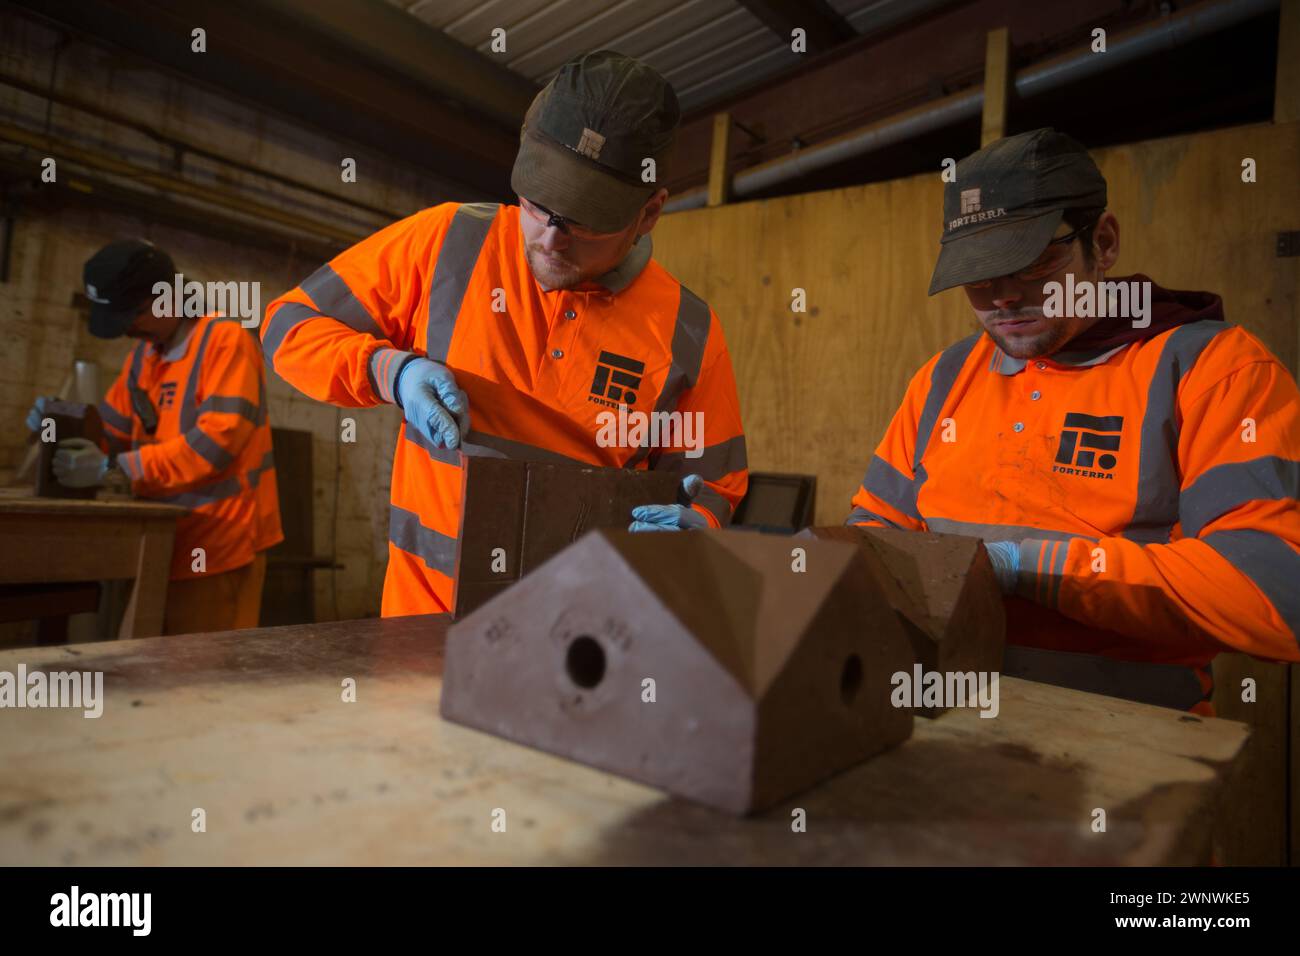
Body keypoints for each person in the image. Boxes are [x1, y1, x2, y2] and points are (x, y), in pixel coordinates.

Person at [261, 51, 748, 616]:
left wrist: (697, 525)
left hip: (577, 634)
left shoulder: (688, 329)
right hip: (418, 626)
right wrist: (390, 371)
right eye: (539, 204)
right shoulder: (448, 242)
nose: (551, 238)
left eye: (584, 220)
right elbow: (289, 326)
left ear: (649, 212)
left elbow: (712, 482)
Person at [846, 128, 1300, 712]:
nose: (1003, 297)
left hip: (1133, 734)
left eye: (1033, 263)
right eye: (977, 276)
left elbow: (1274, 591)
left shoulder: (1214, 371)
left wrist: (1028, 567)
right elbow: (876, 531)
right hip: (945, 714)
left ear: (1102, 243)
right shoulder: (944, 378)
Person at [26, 239, 282, 634]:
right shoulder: (144, 358)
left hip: (219, 543)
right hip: (163, 541)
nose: (129, 329)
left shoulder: (226, 341)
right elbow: (107, 433)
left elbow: (215, 446)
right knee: (151, 663)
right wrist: (59, 422)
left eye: (134, 314)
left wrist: (112, 468)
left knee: (200, 670)